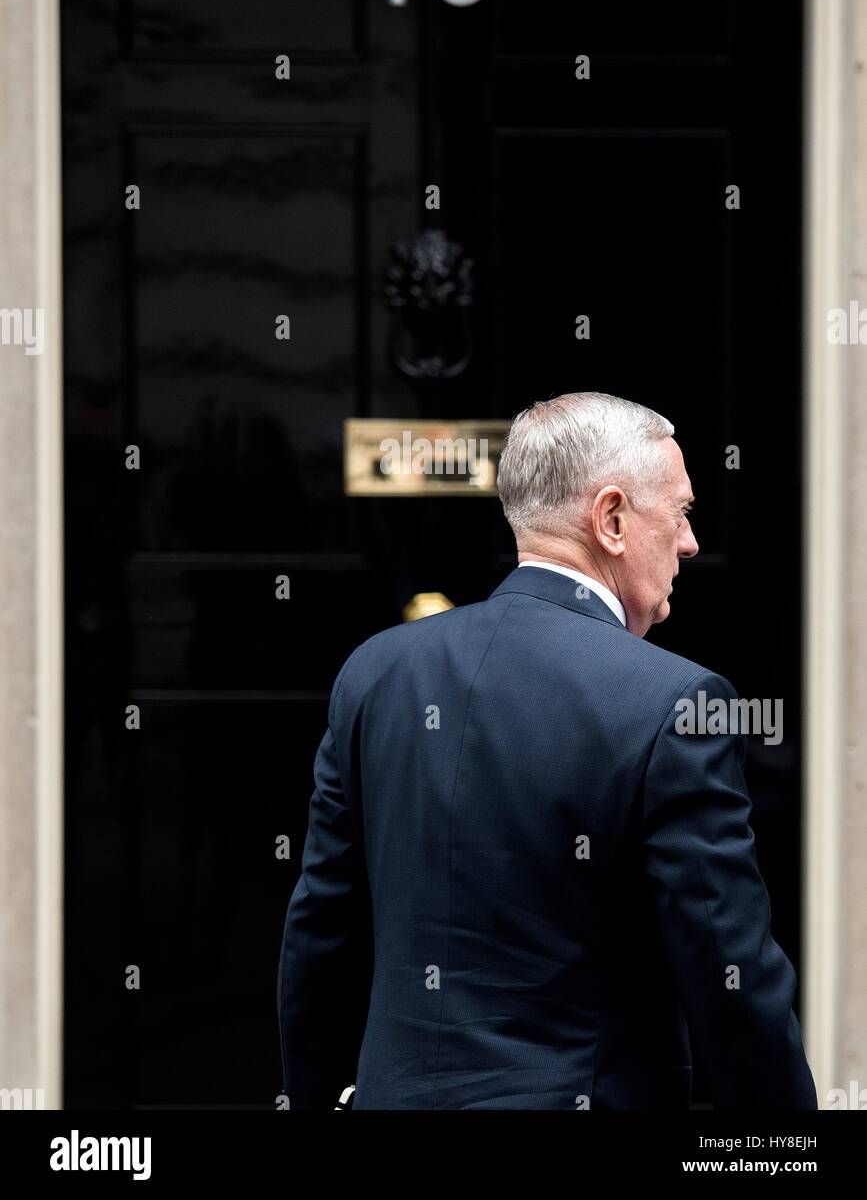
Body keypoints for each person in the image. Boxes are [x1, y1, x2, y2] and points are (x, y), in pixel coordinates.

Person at [276, 391, 817, 1110]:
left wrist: (313, 1097)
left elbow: (319, 937)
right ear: (613, 518)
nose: (688, 542)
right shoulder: (674, 701)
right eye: (681, 513)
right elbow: (729, 972)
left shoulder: (376, 673)